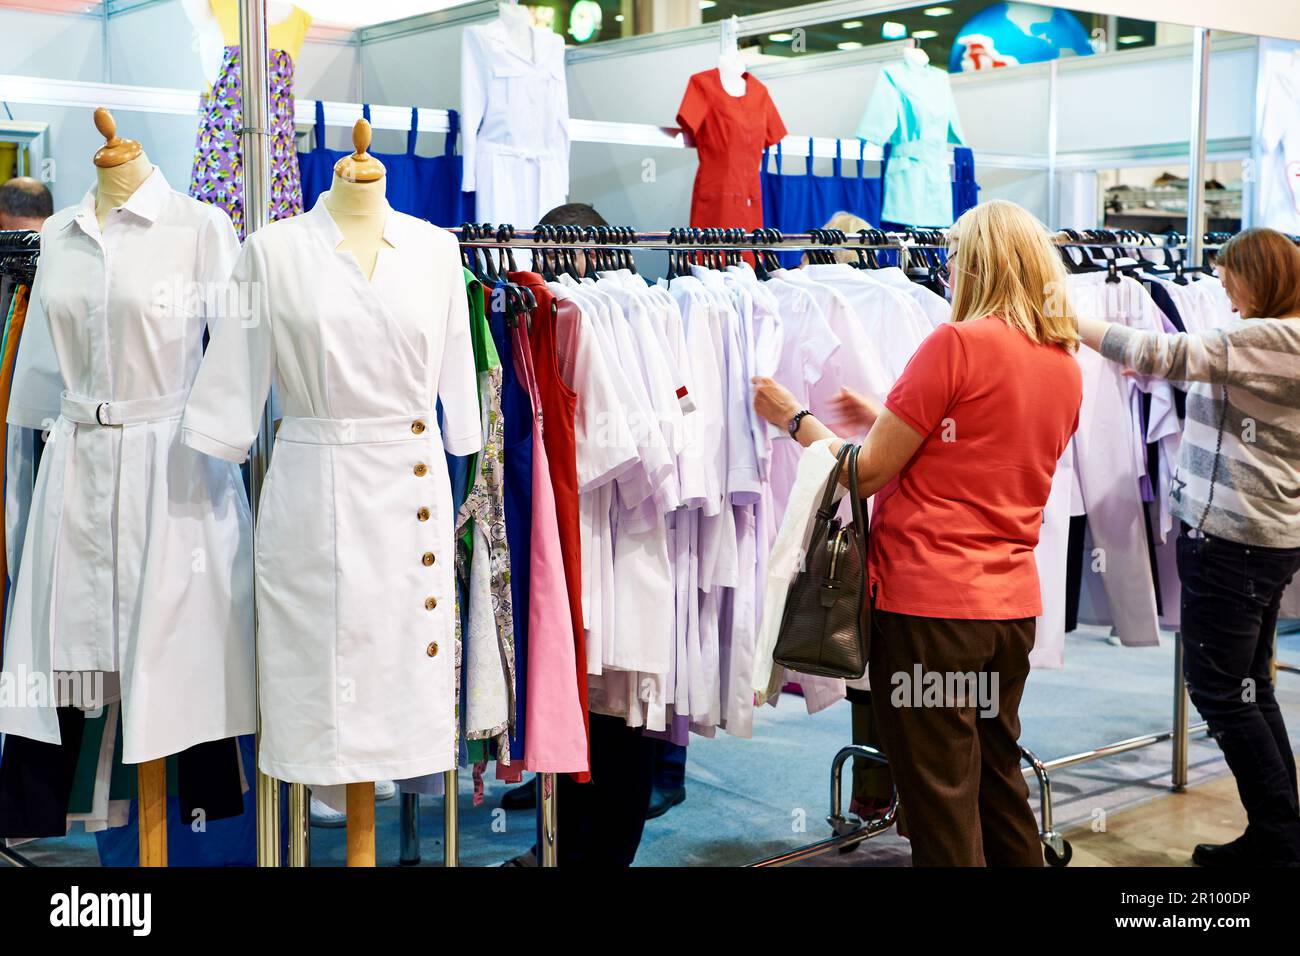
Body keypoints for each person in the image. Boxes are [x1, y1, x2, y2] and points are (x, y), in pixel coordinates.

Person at [753, 199, 1082, 866]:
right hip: (1010, 609)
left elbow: (866, 474)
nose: (948, 274)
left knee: (938, 801)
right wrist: (894, 417)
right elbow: (986, 451)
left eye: (954, 261)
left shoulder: (956, 344)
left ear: (976, 266)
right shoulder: (1063, 362)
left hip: (931, 609)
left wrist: (793, 420)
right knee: (996, 782)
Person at [1076, 227, 1300, 867]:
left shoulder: (1268, 338)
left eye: (1231, 275)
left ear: (1259, 276)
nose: (1222, 287)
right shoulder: (1277, 337)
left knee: (1223, 692)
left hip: (1233, 542)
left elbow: (1160, 353)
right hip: (1263, 539)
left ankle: (1280, 841)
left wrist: (1066, 316)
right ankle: (1280, 832)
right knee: (1251, 687)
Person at [500, 201, 659, 867]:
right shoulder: (534, 313)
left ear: (592, 255)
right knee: (580, 709)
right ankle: (559, 849)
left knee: (614, 717)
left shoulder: (626, 318)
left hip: (619, 548)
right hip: (575, 544)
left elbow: (638, 458)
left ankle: (587, 853)